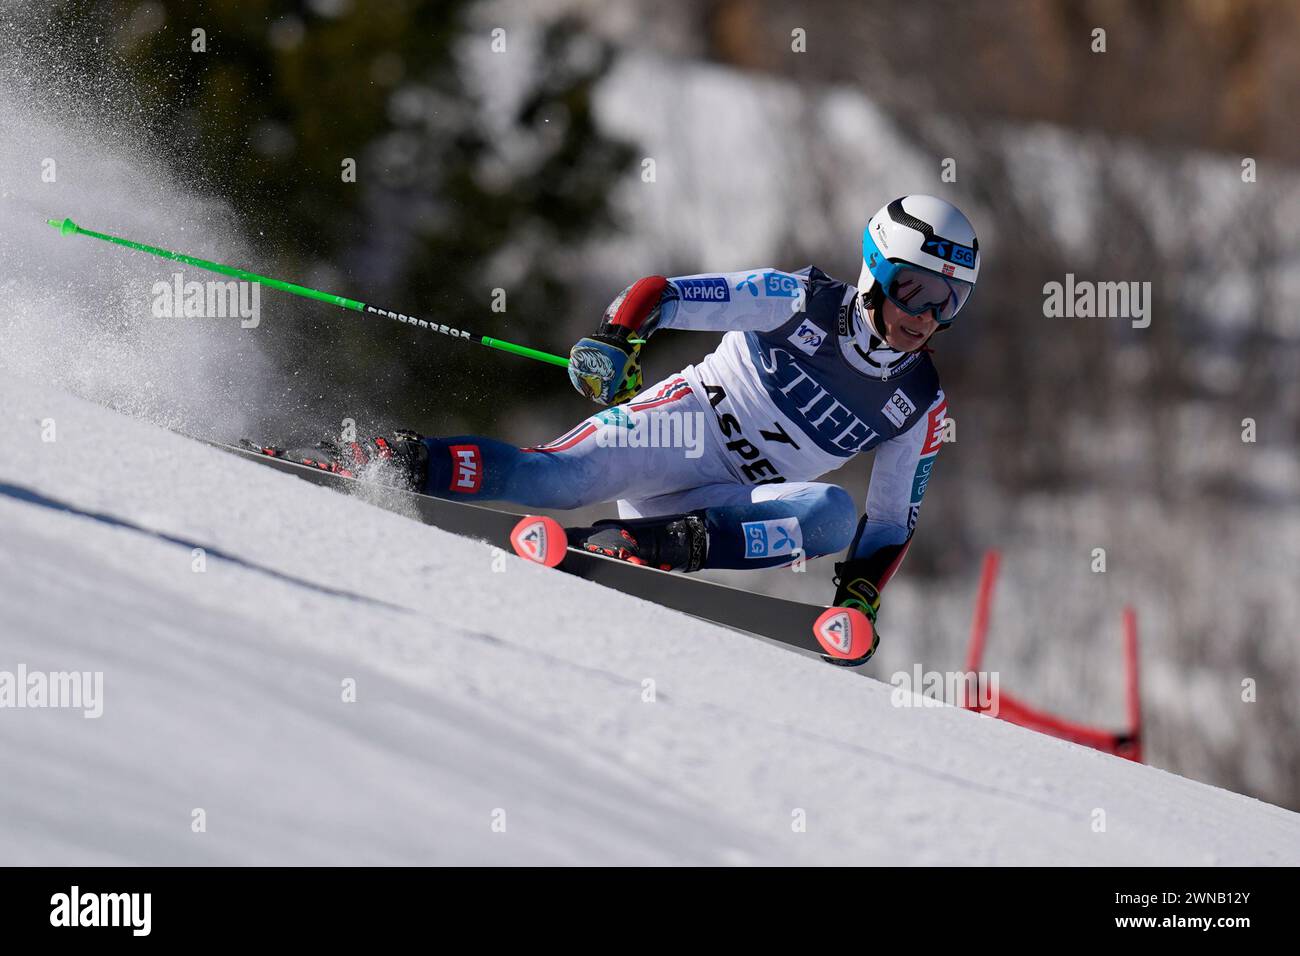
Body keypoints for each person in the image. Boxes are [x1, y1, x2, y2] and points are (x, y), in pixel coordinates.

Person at [261, 195, 979, 665]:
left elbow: (889, 524)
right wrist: (616, 338)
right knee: (555, 480)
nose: (926, 314)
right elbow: (664, 295)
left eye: (948, 301)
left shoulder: (918, 403)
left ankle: (645, 545)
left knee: (828, 514)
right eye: (916, 288)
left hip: (724, 501)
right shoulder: (798, 300)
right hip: (685, 424)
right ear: (878, 272)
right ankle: (385, 458)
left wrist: (858, 594)